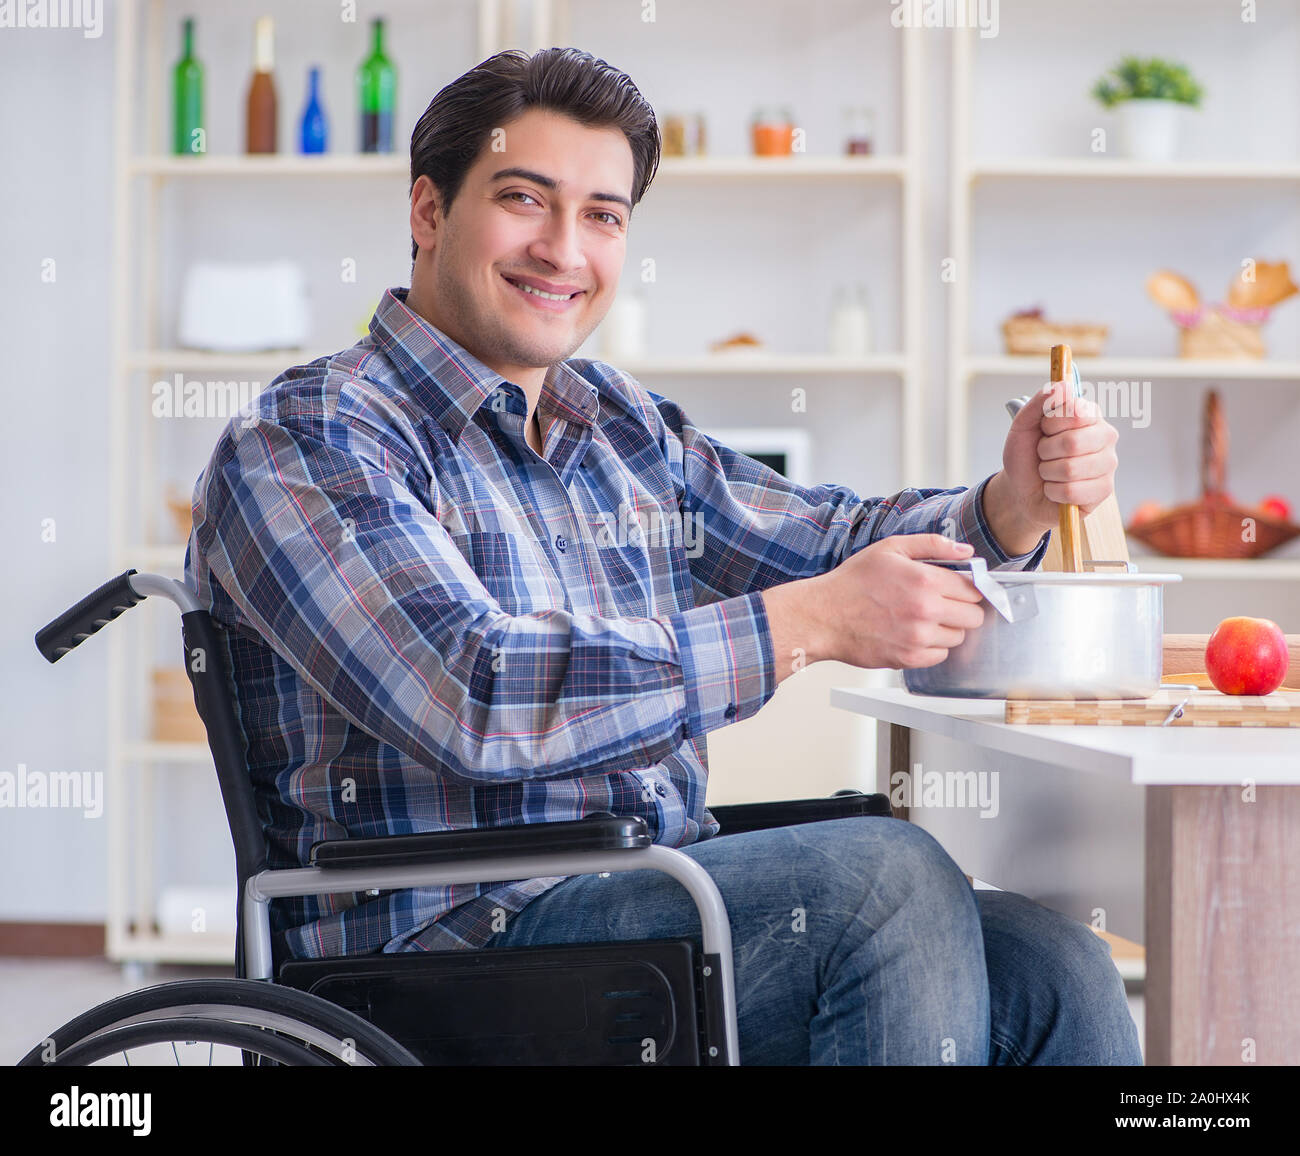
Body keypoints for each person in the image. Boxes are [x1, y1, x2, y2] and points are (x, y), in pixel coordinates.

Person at [187, 46, 1137, 1065]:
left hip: (641, 906)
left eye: (602, 214)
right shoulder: (310, 438)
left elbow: (821, 537)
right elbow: (471, 691)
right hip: (433, 966)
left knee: (1052, 963)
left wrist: (1007, 504)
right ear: (428, 211)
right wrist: (807, 622)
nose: (563, 248)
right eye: (524, 198)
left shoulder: (621, 427)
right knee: (879, 881)